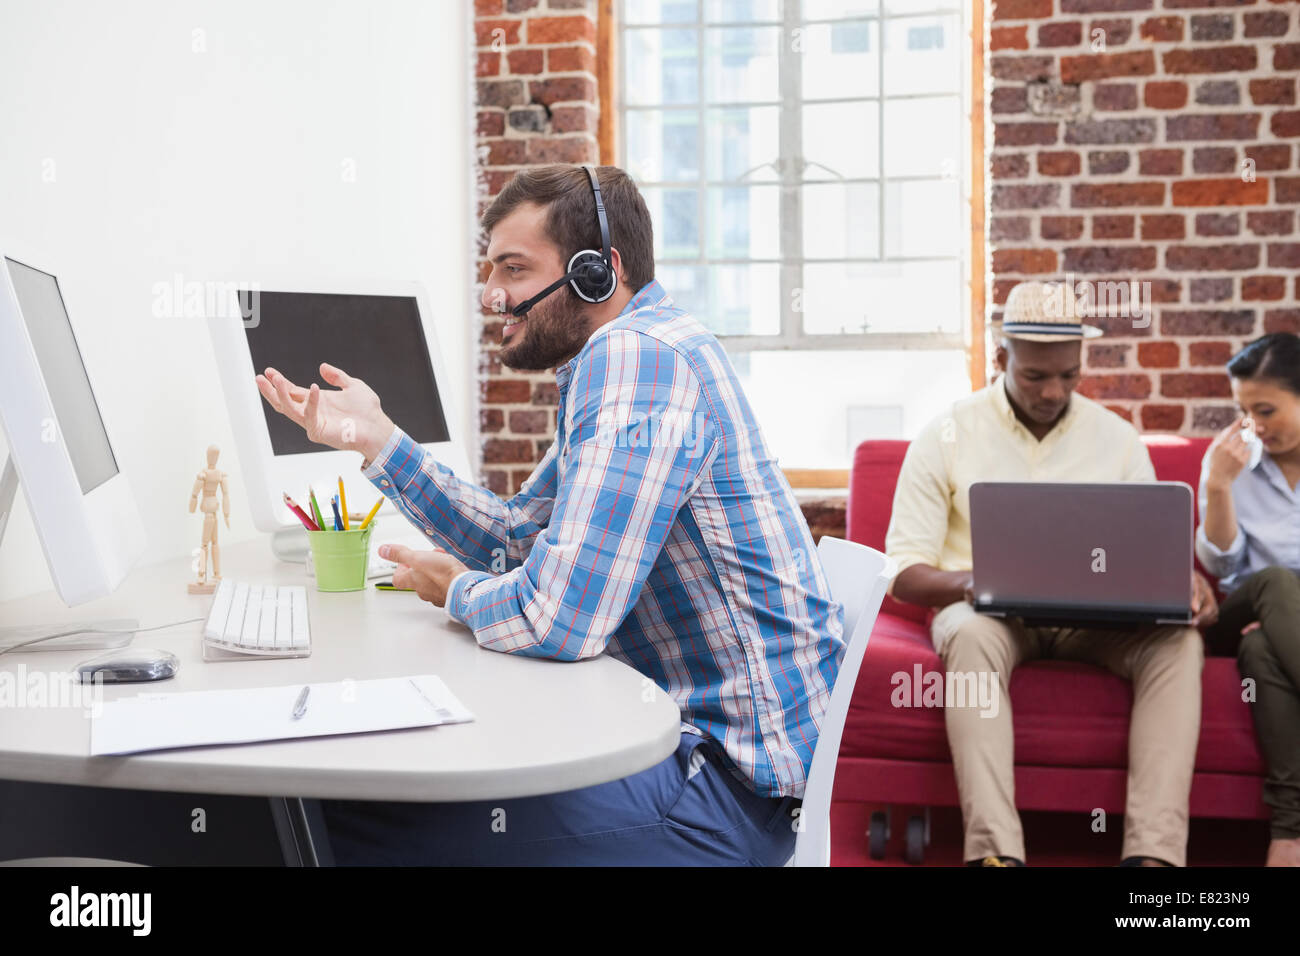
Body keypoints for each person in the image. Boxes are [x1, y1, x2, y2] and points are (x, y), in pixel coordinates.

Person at [254, 163, 844, 865]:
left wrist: (458, 592)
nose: (492, 293)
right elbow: (512, 538)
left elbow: (559, 621)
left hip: (720, 794)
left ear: (599, 272)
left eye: (514, 268)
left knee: (344, 820)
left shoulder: (637, 360)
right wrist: (377, 440)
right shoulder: (633, 352)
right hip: (704, 761)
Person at [885, 280, 1216, 867]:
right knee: (967, 631)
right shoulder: (945, 434)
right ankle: (995, 857)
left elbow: (1150, 548)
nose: (1053, 390)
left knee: (1178, 642)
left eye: (1068, 374)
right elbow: (904, 573)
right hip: (992, 615)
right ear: (1001, 358)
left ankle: (1154, 861)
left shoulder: (1115, 439)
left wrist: (1182, 584)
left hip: (1097, 623)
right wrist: (987, 579)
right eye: (1036, 376)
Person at [1196, 332, 1300, 868]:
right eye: (1243, 410)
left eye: (1266, 410)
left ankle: (1289, 836)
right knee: (1278, 581)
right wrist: (1219, 488)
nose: (1253, 425)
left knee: (1263, 655)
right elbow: (1222, 568)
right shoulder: (1229, 464)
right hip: (1240, 610)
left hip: (1269, 638)